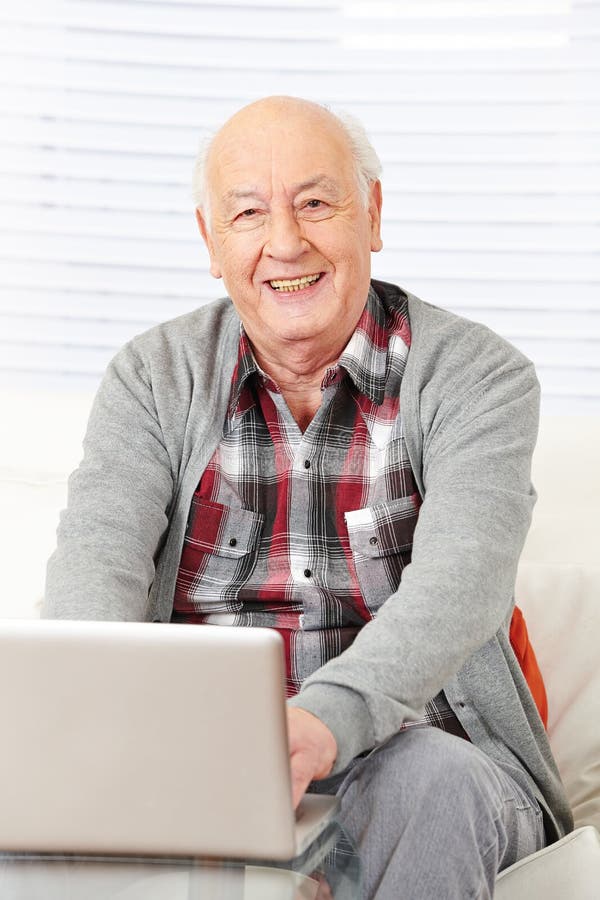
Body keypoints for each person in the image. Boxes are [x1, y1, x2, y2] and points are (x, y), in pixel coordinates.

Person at [44, 96, 572, 898]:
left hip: (416, 752)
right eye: (249, 212)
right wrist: (114, 740)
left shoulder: (479, 376)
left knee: (430, 784)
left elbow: (463, 586)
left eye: (317, 203)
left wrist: (321, 724)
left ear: (374, 214)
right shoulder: (153, 376)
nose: (285, 242)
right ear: (210, 242)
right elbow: (96, 568)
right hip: (201, 766)